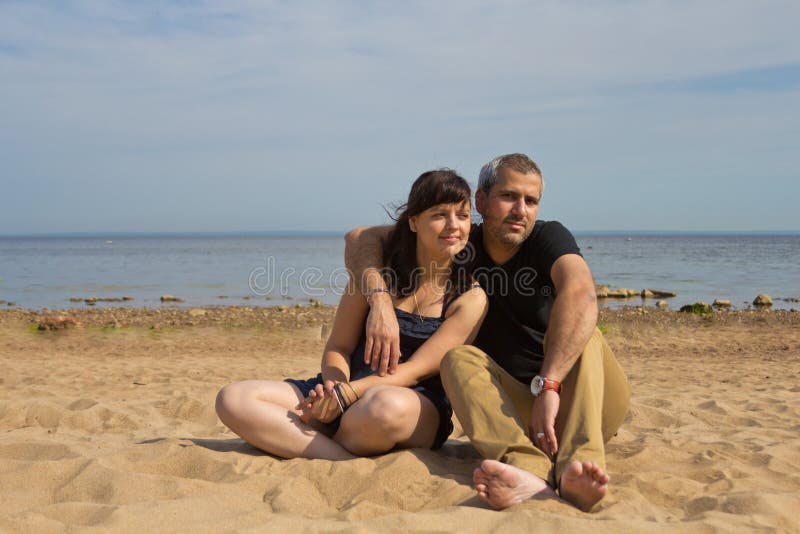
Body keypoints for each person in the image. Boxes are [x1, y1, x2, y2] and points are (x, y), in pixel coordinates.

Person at [345, 153, 630, 511]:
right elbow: (359, 239)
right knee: (456, 358)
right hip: (517, 412)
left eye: (531, 201)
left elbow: (581, 292)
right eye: (509, 196)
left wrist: (550, 384)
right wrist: (381, 302)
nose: (521, 210)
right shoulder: (461, 246)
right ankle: (529, 469)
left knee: (587, 333)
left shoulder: (547, 239)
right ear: (481, 201)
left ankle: (579, 465)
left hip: (583, 400)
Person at [216, 170, 487, 460]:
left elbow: (416, 370)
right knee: (233, 399)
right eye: (440, 215)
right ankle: (341, 457)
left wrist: (347, 396)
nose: (453, 226)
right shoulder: (374, 277)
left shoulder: (469, 297)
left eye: (462, 215)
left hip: (412, 404)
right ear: (413, 222)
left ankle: (319, 438)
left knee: (382, 407)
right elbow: (339, 347)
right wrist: (333, 387)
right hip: (345, 387)